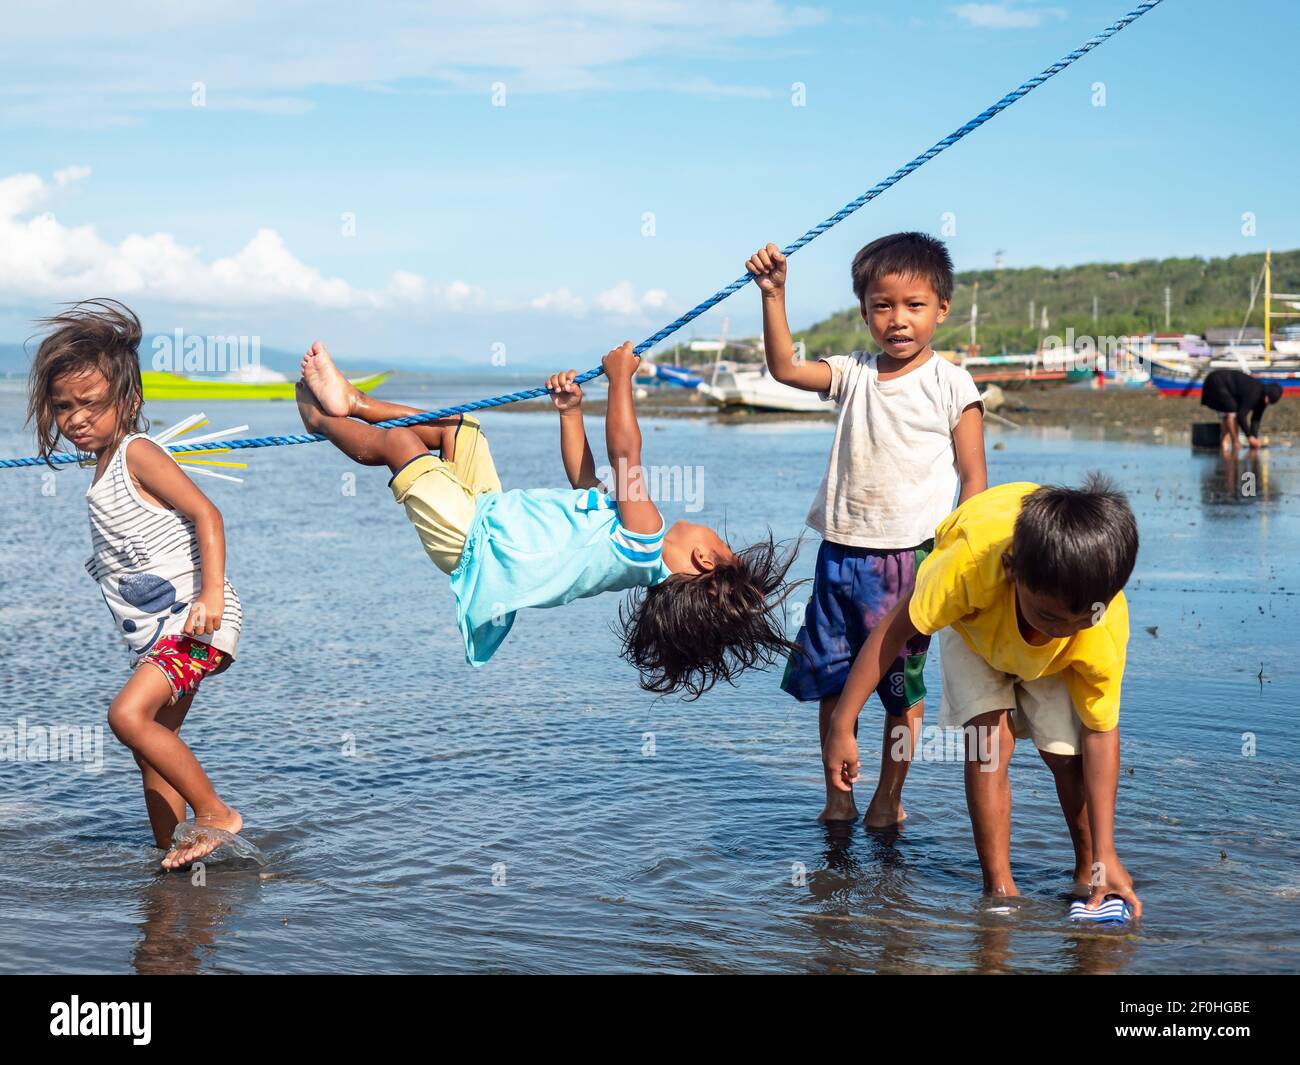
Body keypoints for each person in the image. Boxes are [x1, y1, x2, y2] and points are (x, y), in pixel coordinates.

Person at [294, 340, 800, 698]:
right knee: (459, 427)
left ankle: (325, 419)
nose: (715, 532)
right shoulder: (629, 543)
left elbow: (626, 452)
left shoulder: (645, 537)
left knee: (401, 445)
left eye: (723, 542)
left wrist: (621, 379)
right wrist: (570, 411)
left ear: (704, 558)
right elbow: (585, 484)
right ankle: (355, 400)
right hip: (484, 510)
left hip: (470, 538)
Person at [746, 233, 986, 825]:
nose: (897, 320)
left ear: (942, 309)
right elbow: (783, 369)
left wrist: (963, 563)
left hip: (911, 561)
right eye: (883, 306)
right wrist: (774, 294)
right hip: (840, 555)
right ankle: (839, 796)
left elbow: (974, 483)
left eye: (914, 306)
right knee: (833, 682)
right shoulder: (852, 373)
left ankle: (889, 797)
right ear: (864, 312)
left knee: (900, 691)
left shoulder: (952, 384)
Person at [822, 476, 1142, 917]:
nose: (1060, 628)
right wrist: (843, 723)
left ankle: (1091, 871)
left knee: (1067, 756)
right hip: (977, 630)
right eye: (1048, 615)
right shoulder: (965, 567)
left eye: (1077, 620)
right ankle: (999, 891)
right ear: (1011, 569)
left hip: (1063, 660)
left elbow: (1100, 732)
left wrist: (1109, 850)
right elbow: (892, 632)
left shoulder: (1097, 623)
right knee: (990, 746)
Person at [27, 300, 244, 869]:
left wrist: (212, 596)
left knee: (126, 718)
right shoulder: (101, 466)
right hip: (161, 638)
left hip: (194, 627)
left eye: (91, 405)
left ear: (128, 402)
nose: (75, 419)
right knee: (151, 753)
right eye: (63, 407)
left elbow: (208, 515)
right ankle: (176, 859)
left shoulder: (137, 453)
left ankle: (216, 814)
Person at [1199, 368, 1283, 454]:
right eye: (1268, 399)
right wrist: (1249, 437)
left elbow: (1256, 419)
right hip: (1215, 381)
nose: (1266, 402)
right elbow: (1241, 416)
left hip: (1225, 386)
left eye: (1270, 402)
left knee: (1228, 413)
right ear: (1267, 393)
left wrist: (1254, 437)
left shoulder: (1264, 399)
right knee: (1231, 411)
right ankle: (1236, 443)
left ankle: (1225, 445)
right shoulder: (1254, 392)